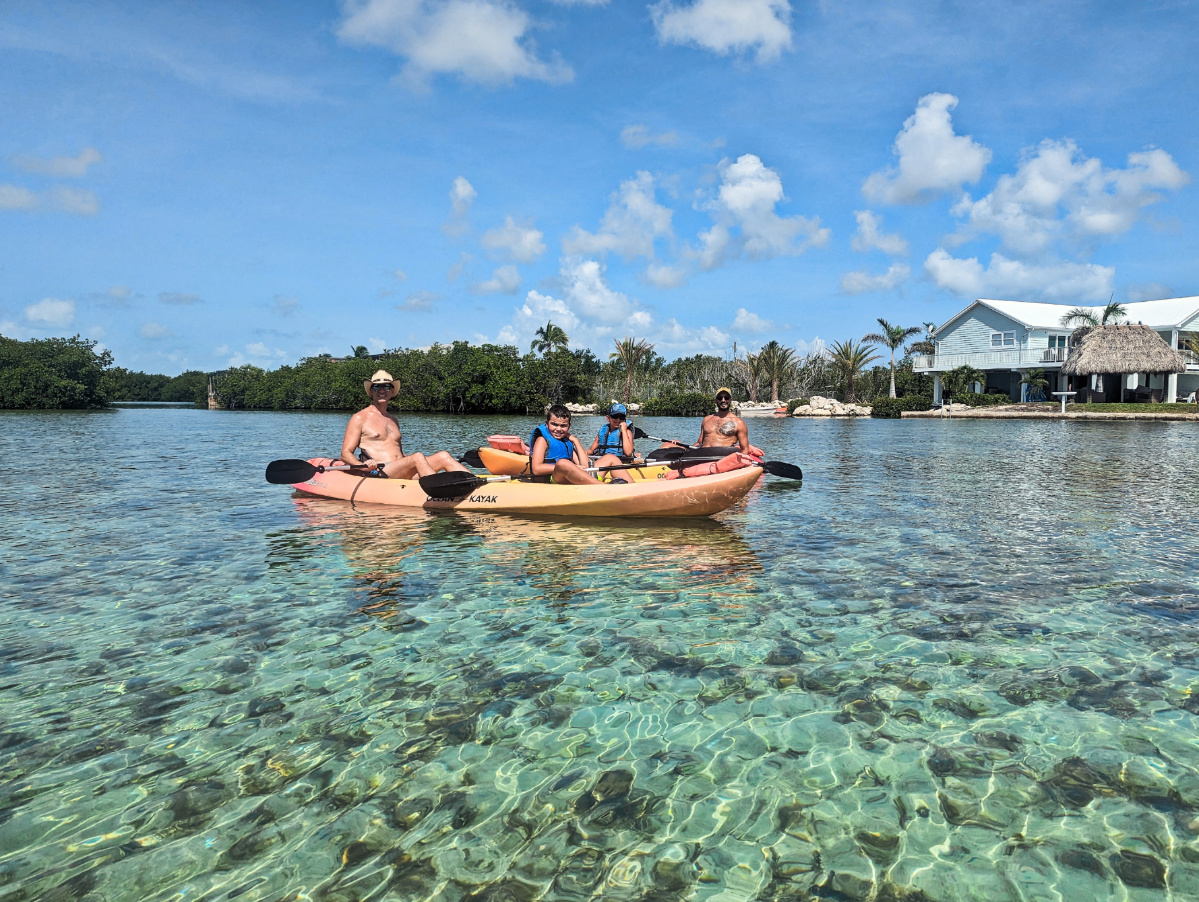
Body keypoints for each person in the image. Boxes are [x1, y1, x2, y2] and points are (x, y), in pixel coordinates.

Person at [337, 370, 469, 479]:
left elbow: (398, 453)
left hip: (400, 471)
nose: (382, 390)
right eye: (377, 387)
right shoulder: (359, 417)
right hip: (380, 472)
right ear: (371, 391)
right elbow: (345, 453)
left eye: (386, 386)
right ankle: (437, 489)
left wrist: (423, 460)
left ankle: (476, 485)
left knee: (443, 456)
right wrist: (362, 464)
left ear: (392, 391)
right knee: (417, 457)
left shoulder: (393, 420)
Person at [530, 404, 626, 485]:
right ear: (547, 424)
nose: (559, 429)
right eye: (554, 424)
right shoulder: (542, 440)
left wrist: (576, 441)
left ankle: (634, 489)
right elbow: (536, 469)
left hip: (573, 478)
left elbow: (585, 465)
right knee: (562, 463)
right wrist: (573, 467)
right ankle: (604, 487)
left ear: (569, 426)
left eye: (563, 426)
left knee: (611, 457)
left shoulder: (567, 442)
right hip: (554, 480)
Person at [696, 387, 753, 453]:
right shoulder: (706, 419)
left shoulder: (739, 423)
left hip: (723, 458)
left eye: (726, 398)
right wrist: (684, 449)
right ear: (716, 400)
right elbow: (699, 443)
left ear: (731, 399)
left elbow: (745, 449)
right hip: (704, 456)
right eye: (720, 398)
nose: (723, 400)